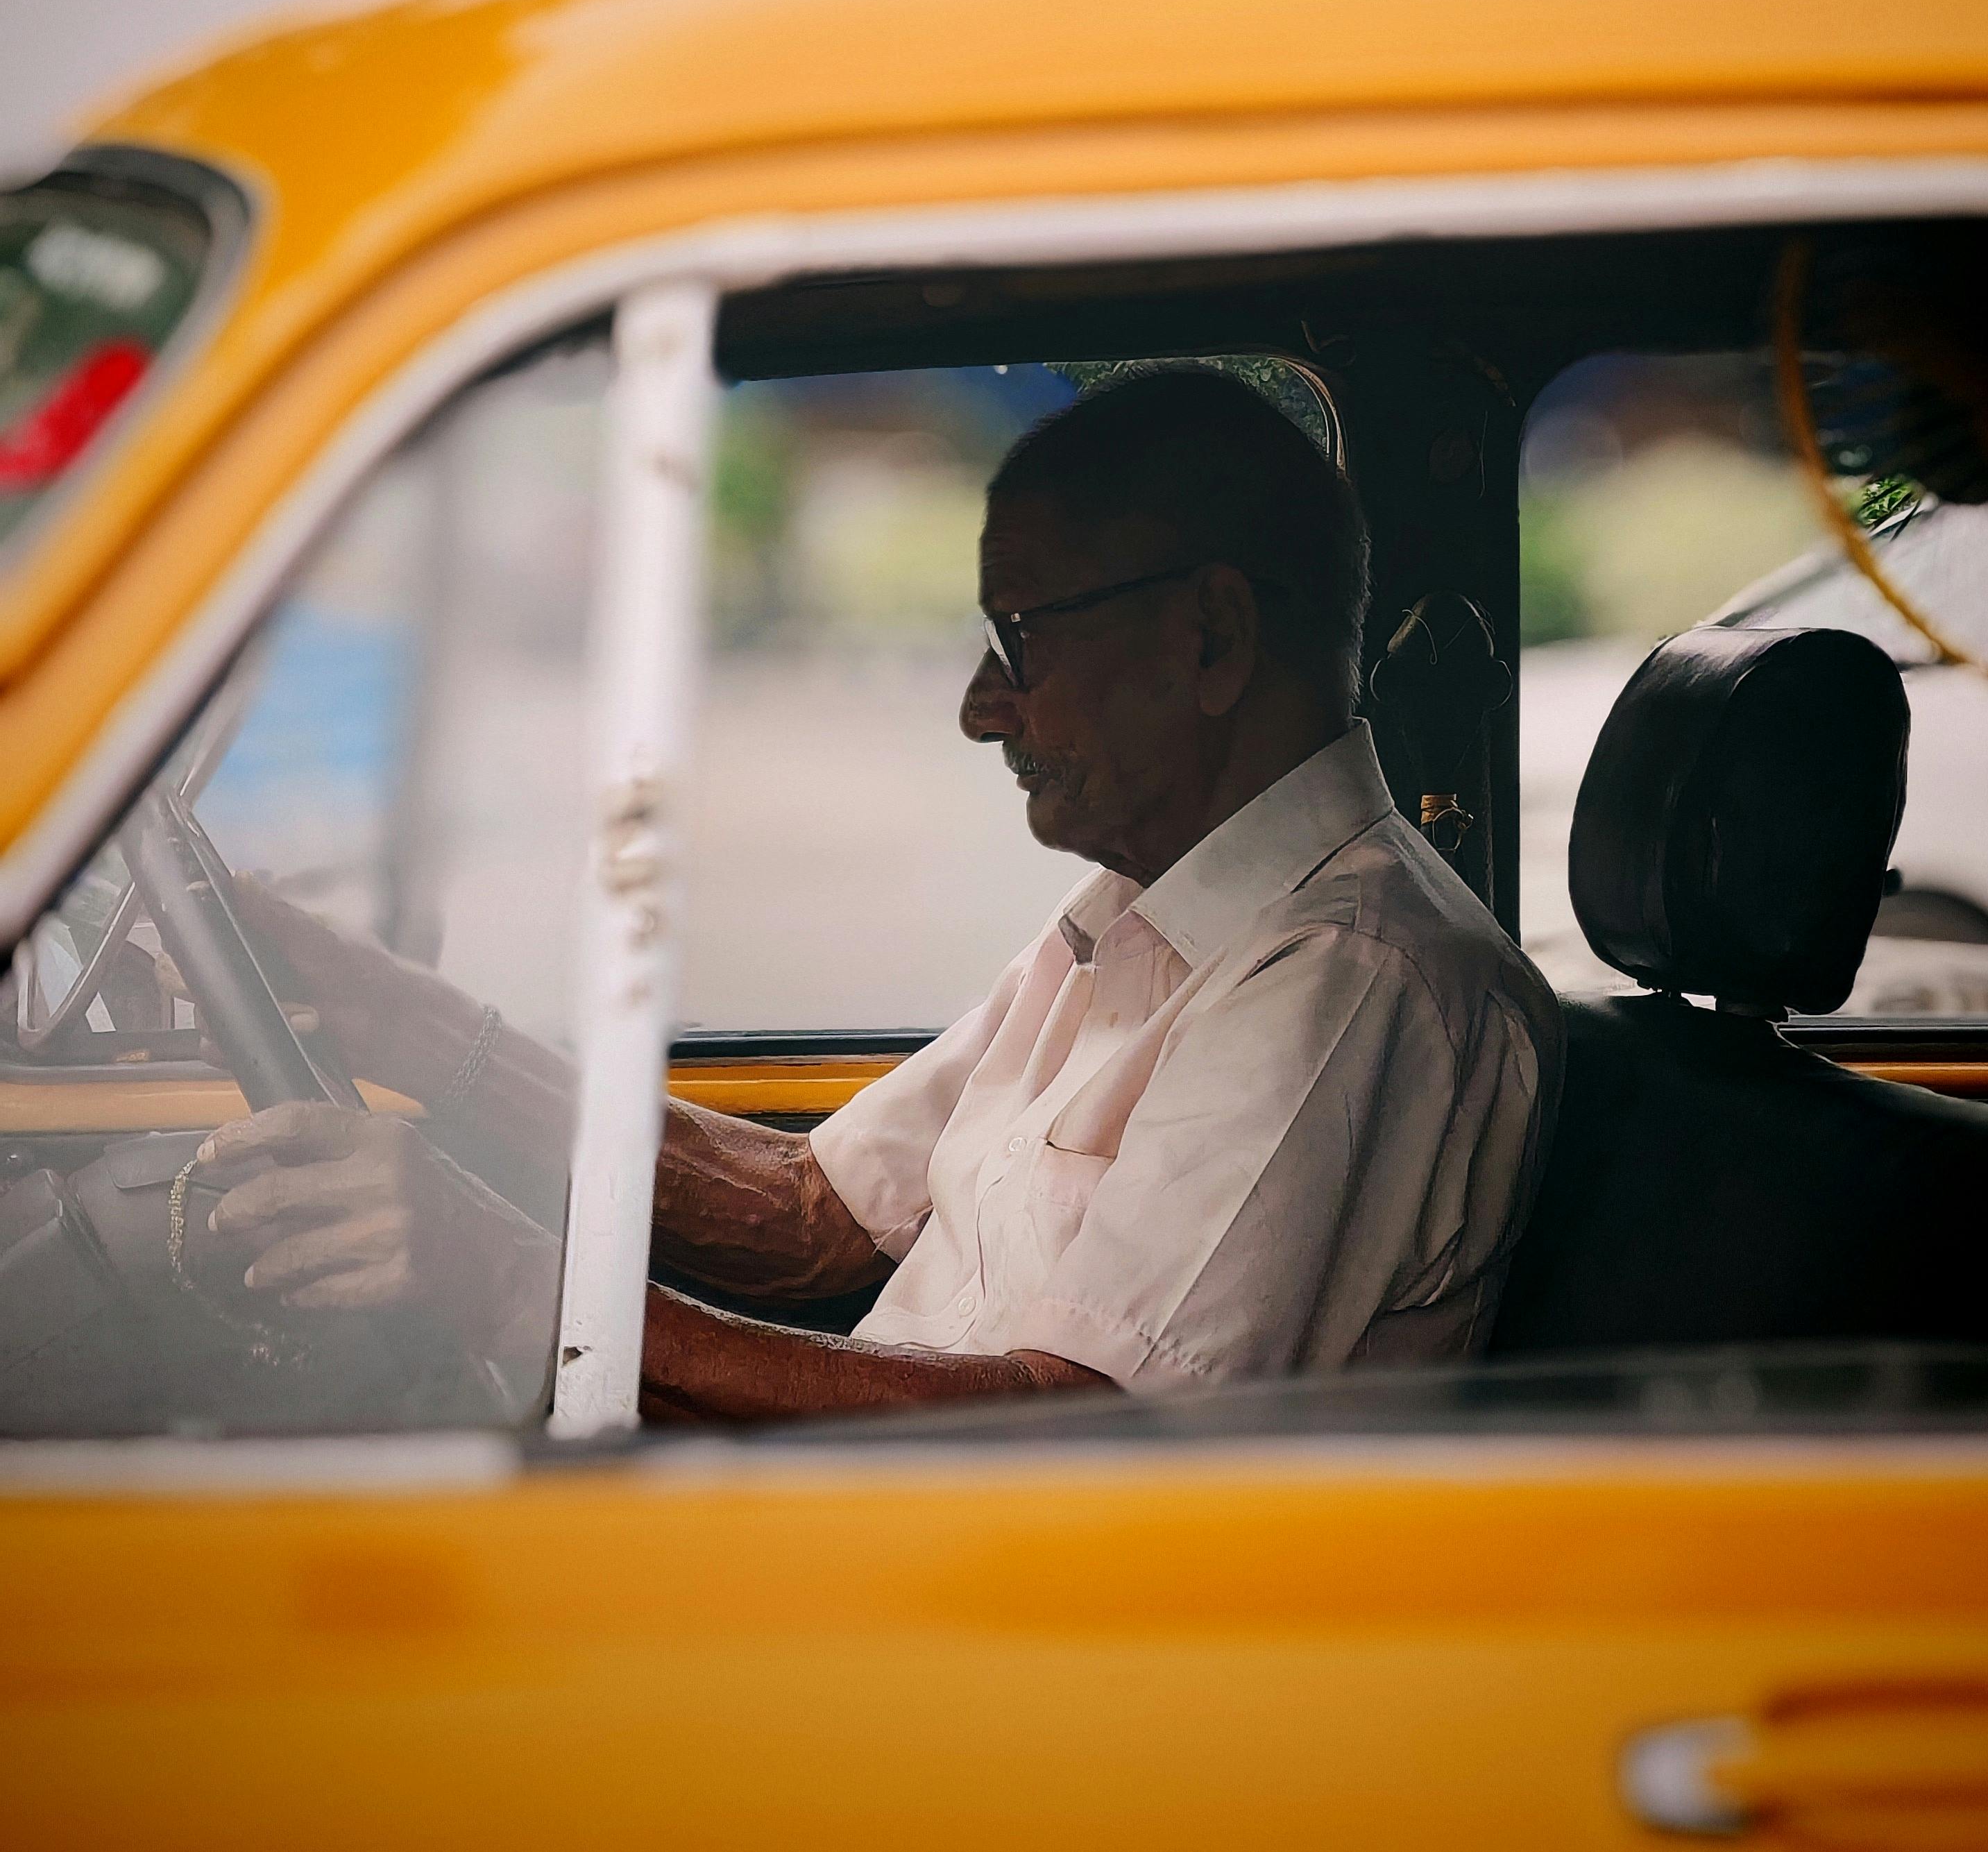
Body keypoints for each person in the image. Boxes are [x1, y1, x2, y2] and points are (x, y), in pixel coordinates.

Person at [194, 371, 1562, 1424]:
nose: (981, 710)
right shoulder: (1143, 919)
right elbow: (811, 1214)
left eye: (1017, 638)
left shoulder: (1349, 980)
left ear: (1207, 636)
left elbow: (1083, 1440)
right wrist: (407, 1025)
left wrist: (509, 1285)